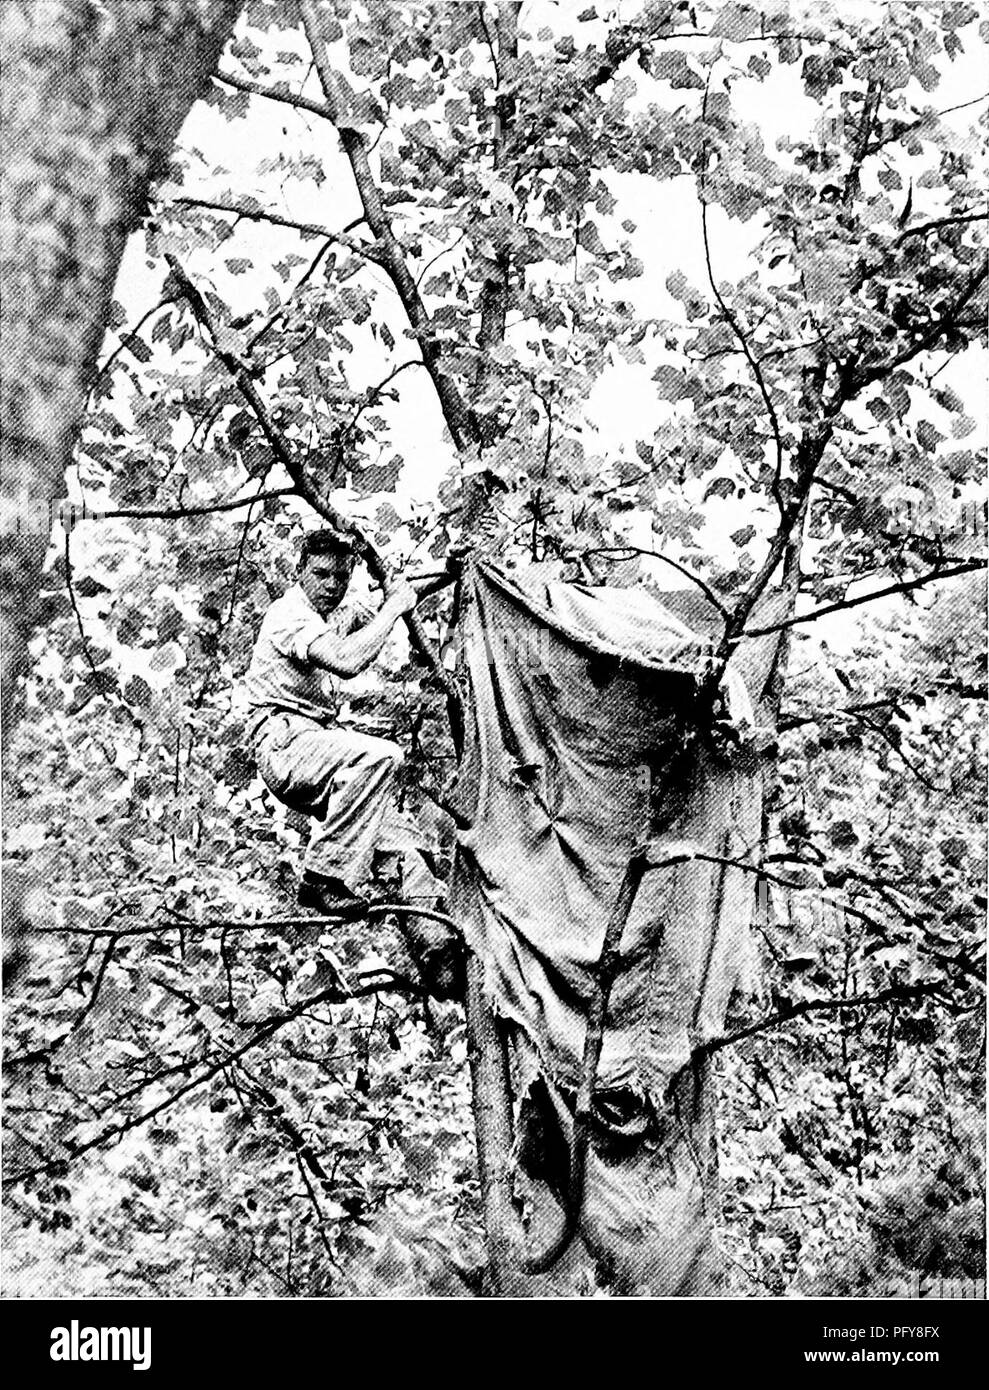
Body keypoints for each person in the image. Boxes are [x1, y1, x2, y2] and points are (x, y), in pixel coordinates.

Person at [241, 528, 439, 917]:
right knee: (380, 756)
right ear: (300, 571)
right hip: (285, 743)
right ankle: (321, 877)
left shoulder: (334, 609)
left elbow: (401, 590)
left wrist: (450, 569)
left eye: (341, 577)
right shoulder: (290, 614)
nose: (332, 586)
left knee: (410, 846)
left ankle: (436, 939)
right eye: (321, 575)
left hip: (316, 744)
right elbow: (347, 661)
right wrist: (394, 609)